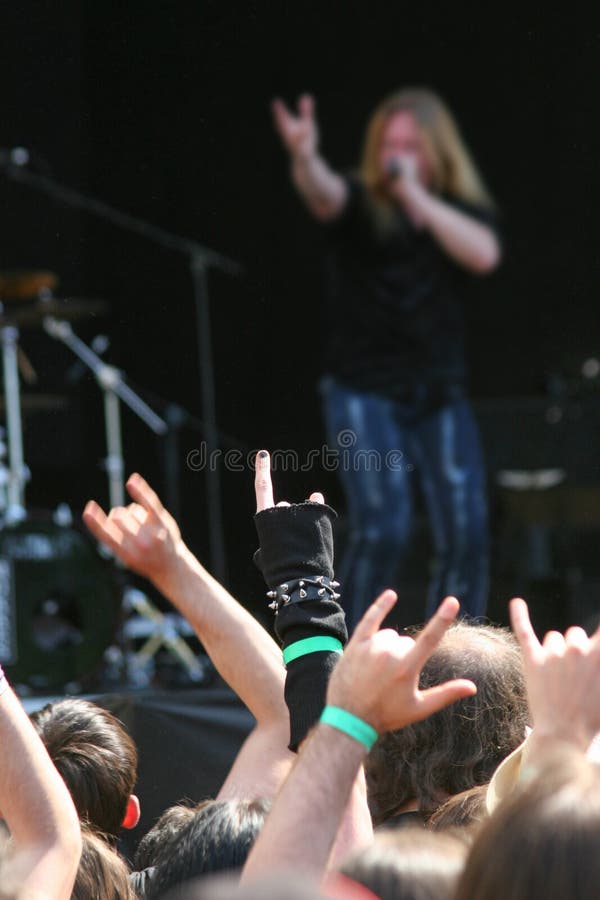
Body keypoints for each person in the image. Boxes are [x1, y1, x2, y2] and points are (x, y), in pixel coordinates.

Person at [272, 87, 502, 628]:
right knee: (384, 525)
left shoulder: (454, 209)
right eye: (390, 144)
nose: (398, 156)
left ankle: (457, 655)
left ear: (436, 152)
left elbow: (485, 254)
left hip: (437, 390)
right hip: (363, 388)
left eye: (412, 145)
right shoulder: (361, 203)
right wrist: (304, 156)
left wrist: (420, 202)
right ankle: (347, 654)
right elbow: (324, 194)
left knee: (467, 528)